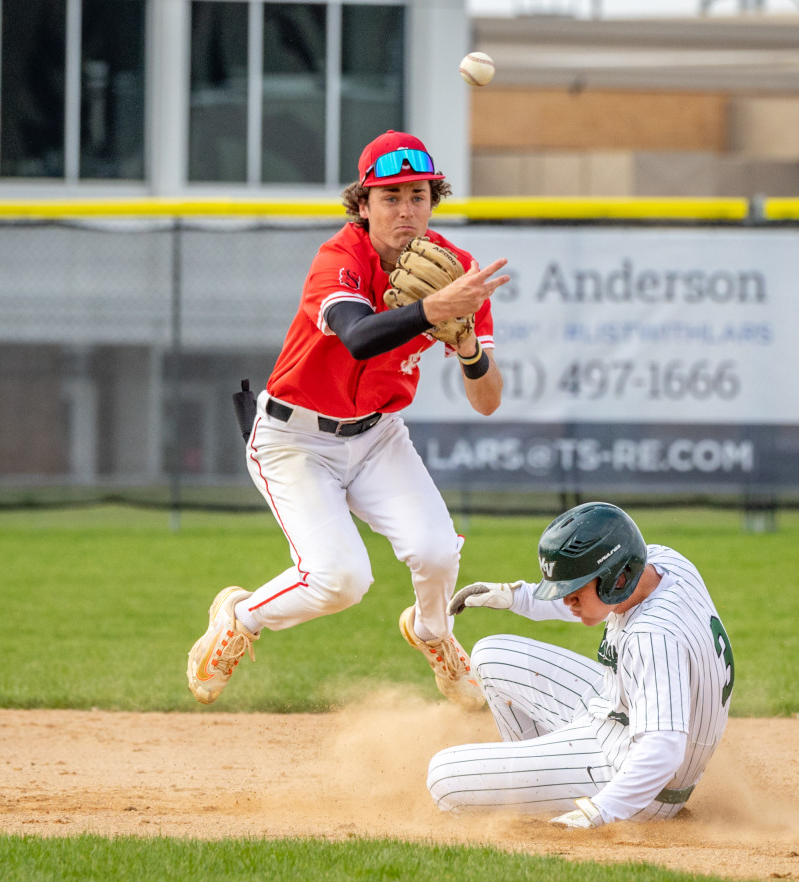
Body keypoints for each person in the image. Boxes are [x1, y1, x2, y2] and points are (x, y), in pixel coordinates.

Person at [187, 130, 510, 709]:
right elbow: (359, 338)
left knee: (437, 551)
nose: (406, 210)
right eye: (390, 197)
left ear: (434, 200)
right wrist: (430, 312)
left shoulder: (456, 272)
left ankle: (435, 635)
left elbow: (487, 400)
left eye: (418, 194)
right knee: (341, 581)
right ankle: (240, 616)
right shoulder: (339, 259)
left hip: (379, 437)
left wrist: (467, 346)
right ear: (363, 205)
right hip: (294, 440)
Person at [426, 502, 734, 827]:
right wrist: (516, 596)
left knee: (443, 777)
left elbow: (663, 750)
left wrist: (600, 809)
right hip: (621, 714)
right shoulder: (661, 563)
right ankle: (546, 773)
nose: (566, 600)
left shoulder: (653, 637)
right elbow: (594, 602)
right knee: (489, 654)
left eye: (574, 591)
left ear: (615, 578)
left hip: (634, 780)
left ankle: (553, 785)